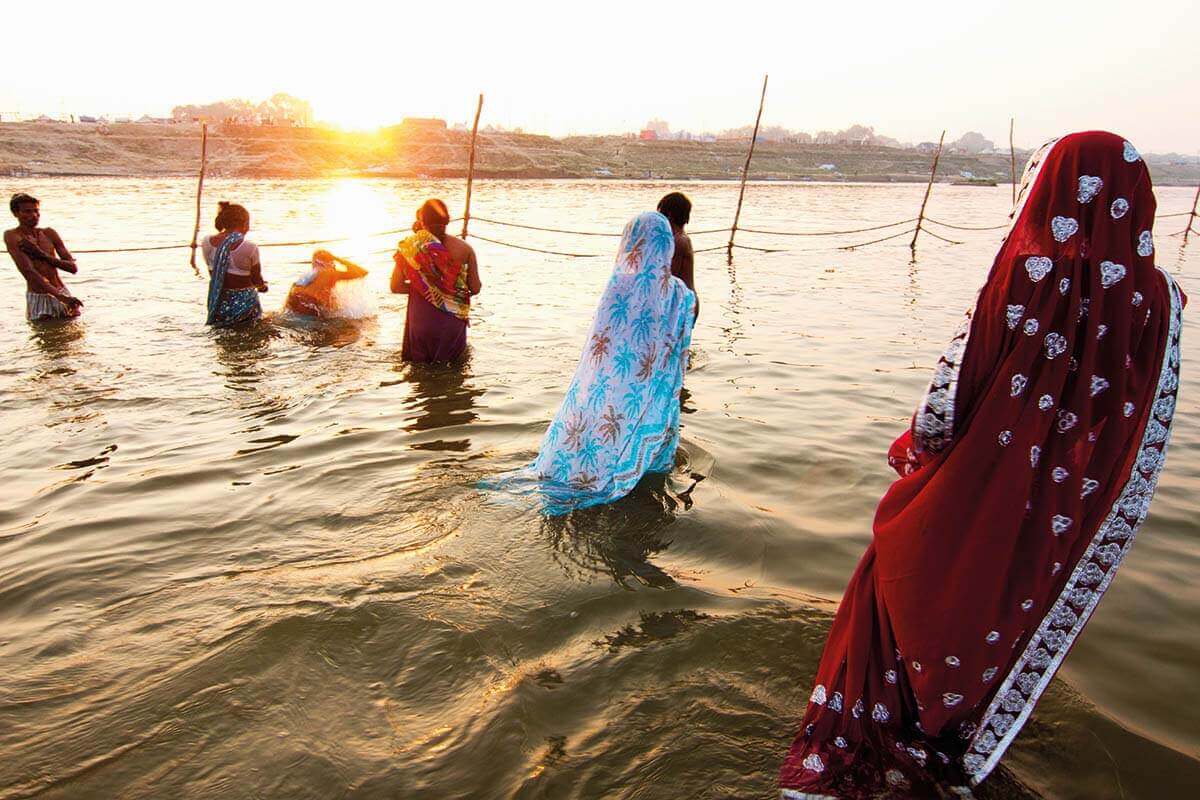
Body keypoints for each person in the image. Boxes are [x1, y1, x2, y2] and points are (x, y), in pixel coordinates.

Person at [779, 131, 1184, 798]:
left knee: (902, 610)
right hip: (1057, 511)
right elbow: (1136, 417)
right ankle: (961, 744)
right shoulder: (1162, 302)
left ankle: (879, 743)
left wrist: (913, 454)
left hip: (968, 491)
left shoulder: (1026, 275)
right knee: (995, 623)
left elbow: (944, 408)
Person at [484, 211, 696, 514]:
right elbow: (678, 348)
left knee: (596, 440)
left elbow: (601, 346)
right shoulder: (679, 295)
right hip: (646, 395)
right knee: (643, 463)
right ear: (666, 246)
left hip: (605, 386)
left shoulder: (617, 285)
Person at [390, 199, 481, 362]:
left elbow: (395, 286)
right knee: (453, 368)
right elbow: (475, 288)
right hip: (452, 321)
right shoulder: (465, 249)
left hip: (421, 319)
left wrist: (425, 288)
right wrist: (447, 290)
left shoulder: (410, 248)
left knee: (419, 369)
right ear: (448, 220)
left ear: (421, 221)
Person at [5, 193, 84, 321]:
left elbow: (73, 268)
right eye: (27, 211)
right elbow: (29, 272)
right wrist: (61, 297)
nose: (34, 215)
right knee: (44, 331)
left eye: (36, 211)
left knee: (72, 331)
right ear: (16, 213)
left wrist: (41, 254)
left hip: (62, 292)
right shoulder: (13, 236)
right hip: (40, 296)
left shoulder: (49, 233)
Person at [200, 201, 267, 327]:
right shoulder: (249, 247)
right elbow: (256, 279)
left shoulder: (206, 241)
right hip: (244, 304)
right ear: (245, 224)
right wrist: (263, 287)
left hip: (219, 302)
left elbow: (213, 270)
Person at [284, 249, 368, 317]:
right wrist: (337, 259)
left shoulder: (305, 278)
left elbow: (289, 302)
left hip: (296, 301)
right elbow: (362, 272)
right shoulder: (330, 273)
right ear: (330, 262)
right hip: (311, 304)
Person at [657, 192, 698, 320]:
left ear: (669, 215)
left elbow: (668, 276)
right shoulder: (679, 238)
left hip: (683, 301)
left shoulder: (678, 241)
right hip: (684, 300)